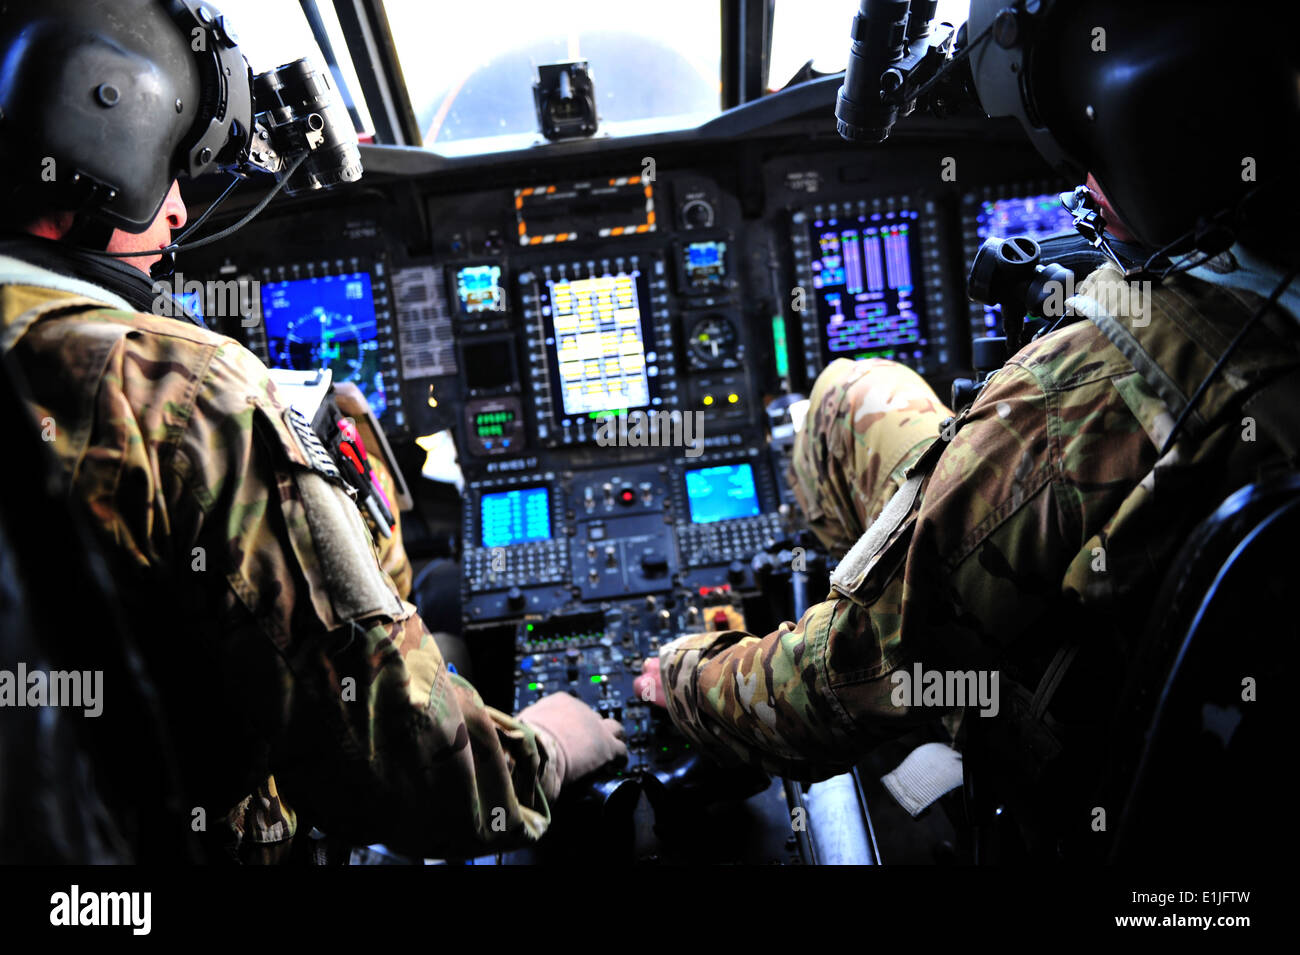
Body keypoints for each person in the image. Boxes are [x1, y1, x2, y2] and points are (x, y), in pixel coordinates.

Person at [637, 0, 1300, 856]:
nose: (1080, 186)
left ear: (1147, 139)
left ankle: (921, 725)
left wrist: (685, 677)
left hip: (1076, 789)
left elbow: (834, 682)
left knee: (846, 407)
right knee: (854, 394)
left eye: (1087, 158)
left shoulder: (1074, 403)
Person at [0, 0, 625, 862]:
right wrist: (553, 741)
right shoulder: (188, 395)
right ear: (106, 132)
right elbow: (419, 781)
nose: (179, 210)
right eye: (171, 172)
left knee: (443, 583)